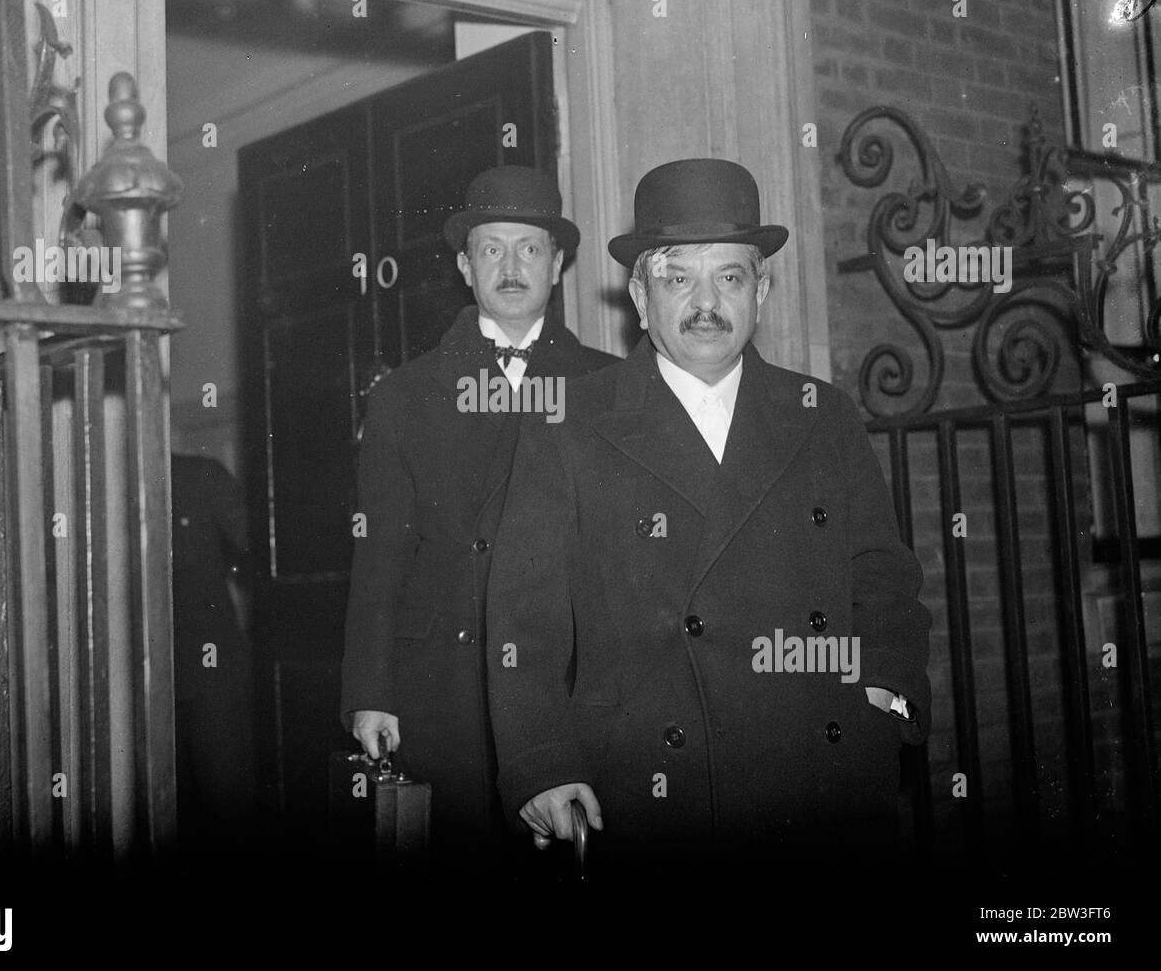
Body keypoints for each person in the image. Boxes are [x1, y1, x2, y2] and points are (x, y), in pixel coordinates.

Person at [486, 158, 931, 876]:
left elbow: (881, 578)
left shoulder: (823, 414)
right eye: (677, 277)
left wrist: (883, 691)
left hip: (826, 788)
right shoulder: (568, 424)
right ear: (638, 294)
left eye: (729, 277)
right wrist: (540, 763)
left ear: (762, 291)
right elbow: (521, 620)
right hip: (656, 799)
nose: (705, 303)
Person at [339, 165, 617, 874]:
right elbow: (381, 557)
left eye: (530, 249)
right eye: (492, 248)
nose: (512, 266)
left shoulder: (611, 387)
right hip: (443, 684)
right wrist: (370, 693)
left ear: (558, 264)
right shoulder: (405, 395)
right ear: (466, 266)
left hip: (569, 675)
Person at [171, 451, 258, 855]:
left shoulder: (200, 476)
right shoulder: (101, 482)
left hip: (211, 681)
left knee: (228, 812)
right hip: (140, 688)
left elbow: (261, 550)